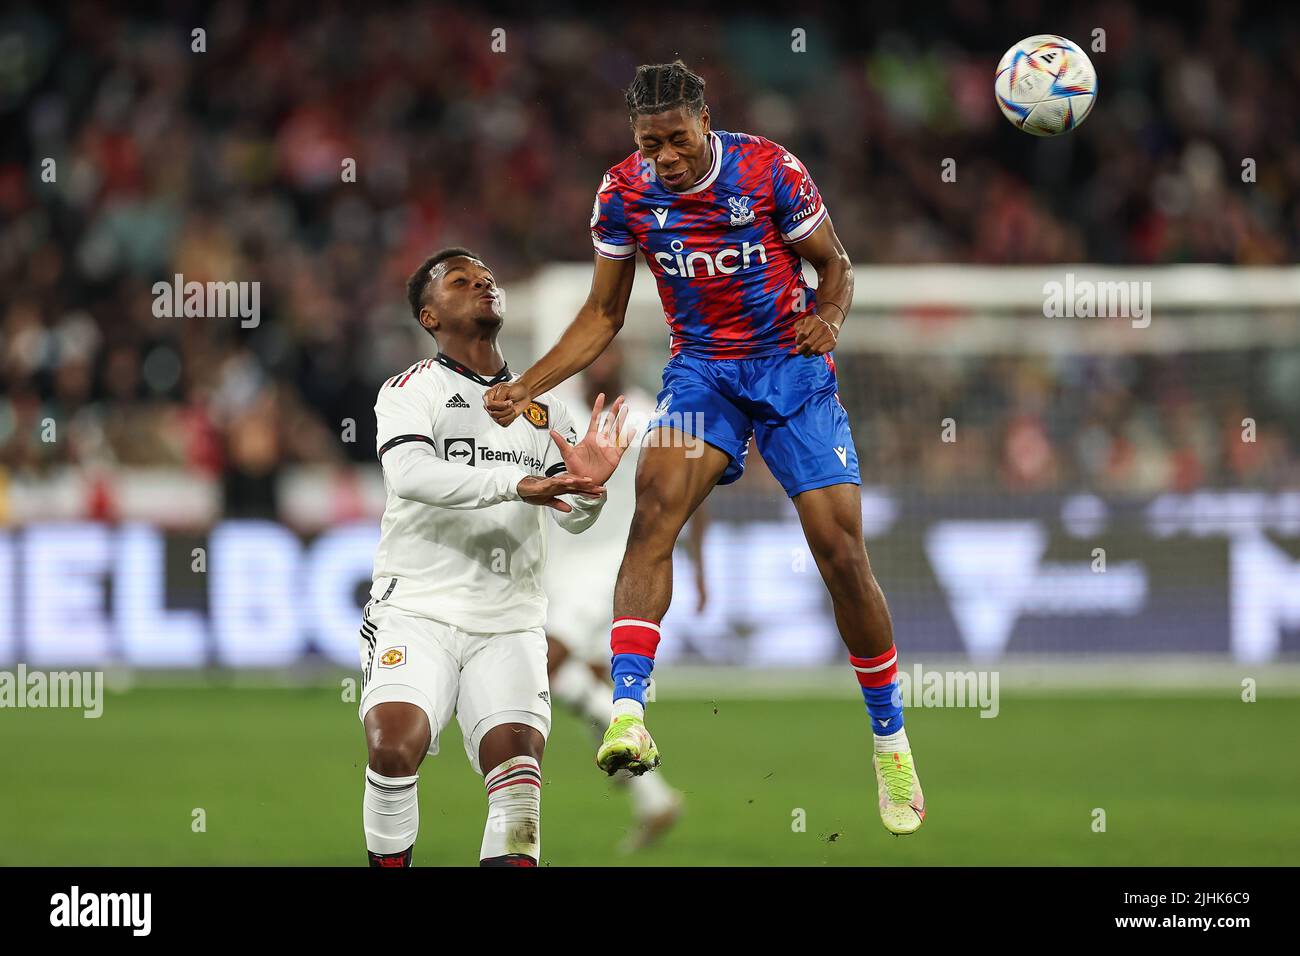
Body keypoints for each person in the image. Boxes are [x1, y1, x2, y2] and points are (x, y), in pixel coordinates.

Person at [485, 62, 925, 835]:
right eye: (651, 144)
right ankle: (628, 712)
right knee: (653, 513)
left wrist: (830, 316)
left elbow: (836, 266)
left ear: (704, 121)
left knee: (839, 551)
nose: (667, 158)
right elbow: (602, 313)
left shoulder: (768, 170)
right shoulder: (624, 193)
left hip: (791, 371)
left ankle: (889, 739)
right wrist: (528, 383)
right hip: (702, 378)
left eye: (678, 140)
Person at [360, 247, 629, 866]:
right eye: (461, 281)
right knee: (393, 749)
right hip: (417, 608)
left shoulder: (544, 408)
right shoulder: (411, 390)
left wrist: (588, 487)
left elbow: (574, 514)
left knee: (517, 781)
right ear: (430, 317)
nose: (483, 284)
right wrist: (518, 484)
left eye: (487, 277)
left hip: (509, 618)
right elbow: (410, 475)